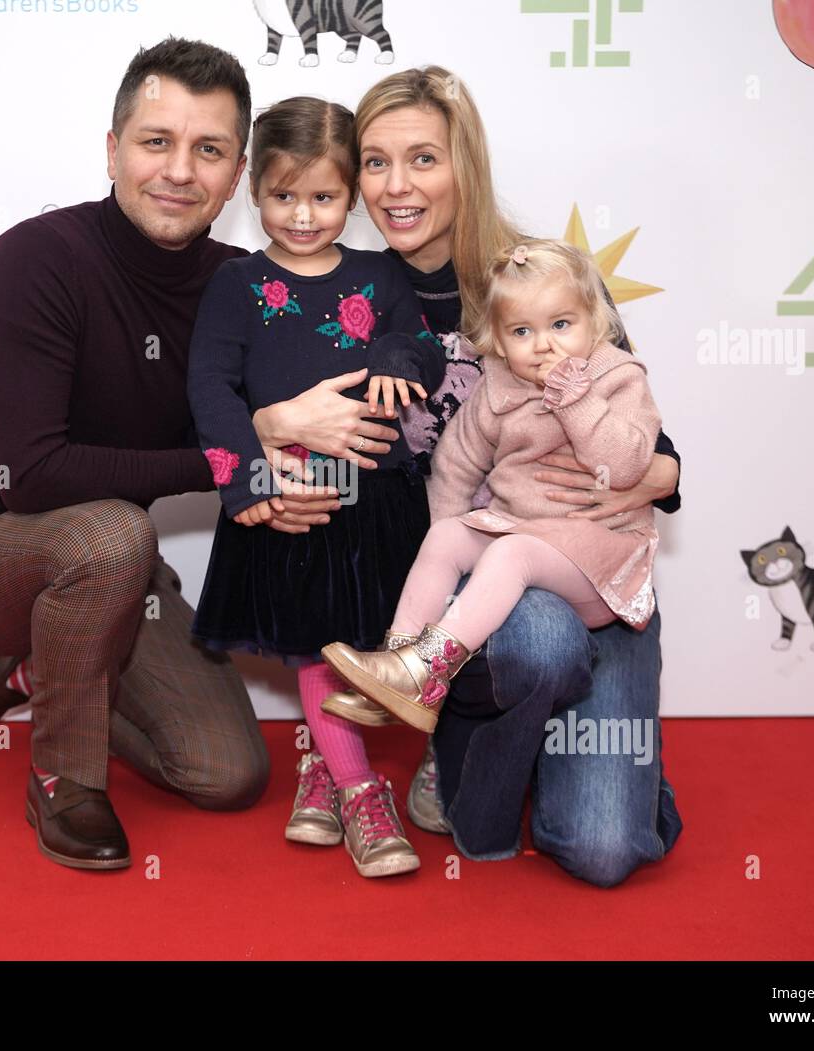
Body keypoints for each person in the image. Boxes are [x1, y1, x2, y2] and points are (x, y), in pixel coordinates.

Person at [248, 66, 684, 885]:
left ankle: (561, 755)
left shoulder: (540, 277)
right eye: (373, 162)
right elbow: (255, 399)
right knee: (537, 639)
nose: (395, 185)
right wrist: (267, 425)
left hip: (588, 561)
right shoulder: (349, 289)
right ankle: (454, 721)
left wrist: (648, 476)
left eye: (422, 158)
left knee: (602, 848)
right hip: (460, 577)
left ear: (465, 165)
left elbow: (656, 443)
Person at [0, 38, 280, 870]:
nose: (180, 170)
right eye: (157, 141)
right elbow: (34, 474)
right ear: (113, 150)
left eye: (209, 149)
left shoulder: (247, 289)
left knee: (230, 774)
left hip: (113, 576)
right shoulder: (39, 256)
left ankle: (37, 672)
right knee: (113, 534)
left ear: (238, 172)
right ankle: (63, 779)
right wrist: (229, 466)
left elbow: (291, 424)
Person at [186, 97, 446, 878]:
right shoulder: (235, 284)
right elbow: (210, 386)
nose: (303, 215)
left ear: (351, 197)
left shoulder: (380, 274)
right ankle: (360, 788)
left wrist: (402, 357)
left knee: (379, 644)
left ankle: (323, 766)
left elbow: (422, 348)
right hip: (290, 501)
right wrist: (247, 482)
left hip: (381, 504)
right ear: (254, 190)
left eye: (324, 196)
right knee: (317, 645)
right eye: (283, 195)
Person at [324, 237, 663, 732]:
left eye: (562, 325)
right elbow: (457, 463)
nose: (544, 344)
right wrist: (452, 549)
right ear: (499, 343)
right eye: (522, 331)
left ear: (596, 320)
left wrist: (575, 398)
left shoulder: (616, 375)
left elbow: (629, 462)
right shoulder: (500, 385)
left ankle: (426, 671)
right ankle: (398, 667)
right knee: (445, 535)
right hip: (524, 534)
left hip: (599, 557)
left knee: (511, 553)